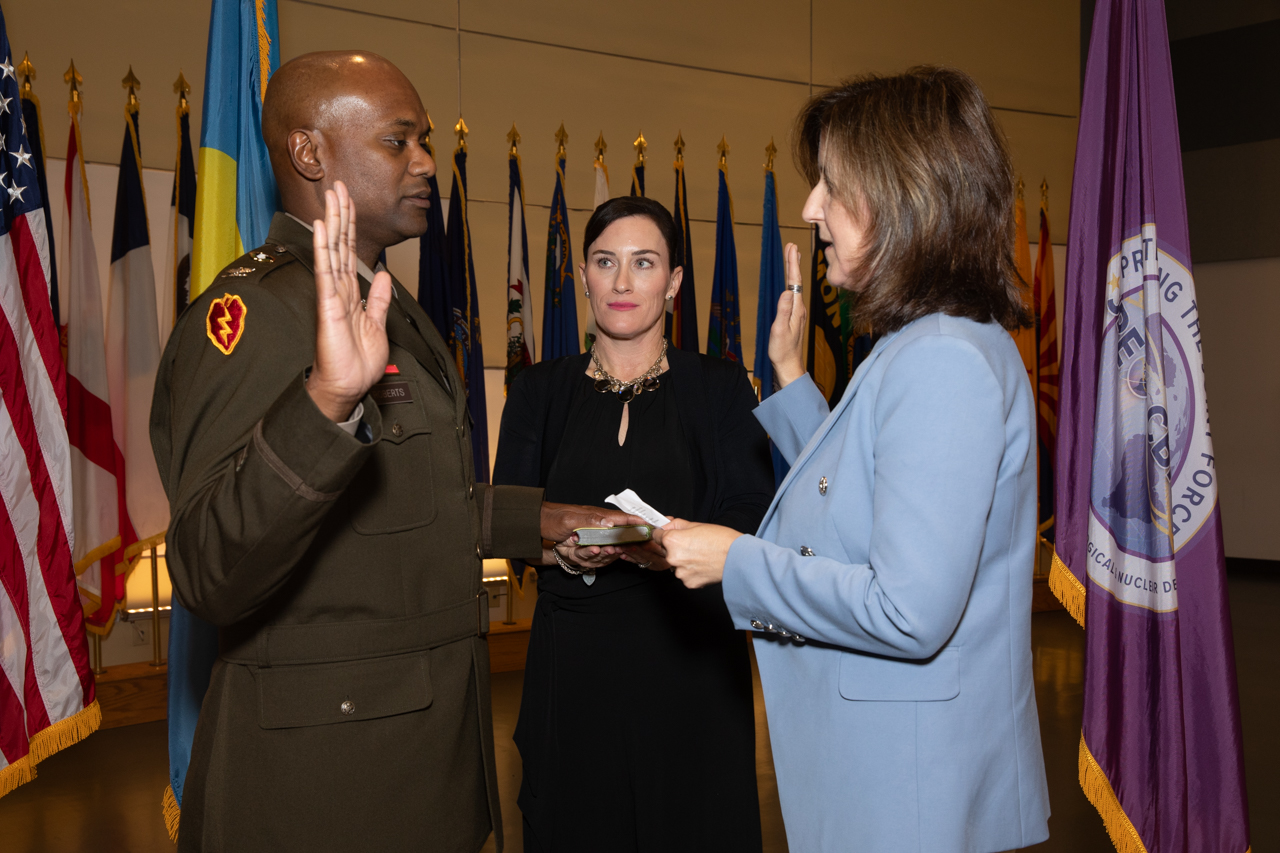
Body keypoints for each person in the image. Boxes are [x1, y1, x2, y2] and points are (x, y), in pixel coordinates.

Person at [150, 51, 639, 852]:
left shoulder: (387, 302)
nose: (426, 162)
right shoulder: (253, 316)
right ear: (309, 153)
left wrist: (543, 523)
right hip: (324, 789)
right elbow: (207, 566)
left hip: (423, 760)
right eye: (397, 141)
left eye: (425, 141)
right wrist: (325, 402)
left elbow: (404, 498)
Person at [654, 67, 1052, 852]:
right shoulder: (929, 342)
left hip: (909, 790)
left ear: (904, 197)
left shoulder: (941, 357)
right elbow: (870, 493)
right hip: (901, 773)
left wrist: (736, 561)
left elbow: (907, 610)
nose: (810, 209)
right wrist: (792, 380)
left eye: (831, 185)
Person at [492, 196, 775, 853]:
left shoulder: (722, 387)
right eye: (605, 262)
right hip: (573, 672)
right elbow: (506, 518)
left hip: (691, 669)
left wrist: (670, 546)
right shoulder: (537, 390)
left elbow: (750, 512)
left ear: (673, 282)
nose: (622, 281)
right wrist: (561, 550)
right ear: (582, 277)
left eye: (643, 263)